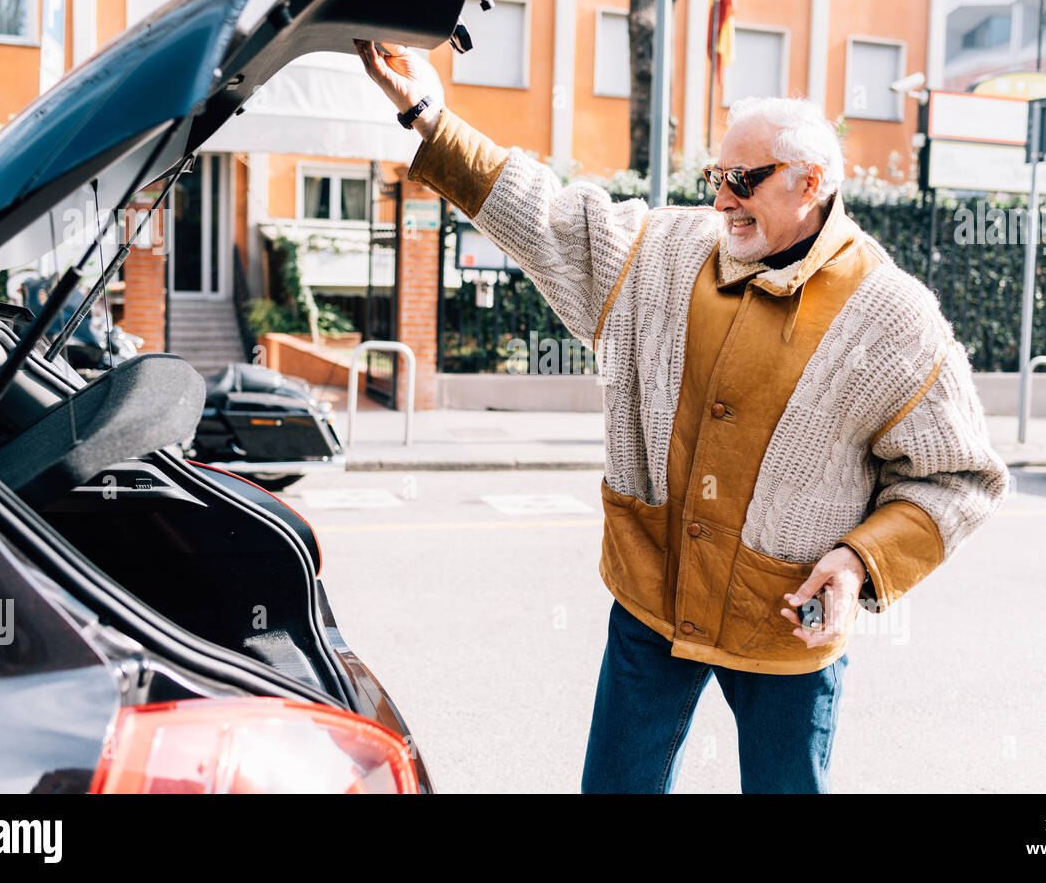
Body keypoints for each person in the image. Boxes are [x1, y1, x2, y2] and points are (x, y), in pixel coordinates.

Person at [355, 39, 1009, 794]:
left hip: (785, 623)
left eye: (743, 179)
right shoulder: (668, 250)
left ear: (811, 182)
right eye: (714, 177)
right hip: (652, 596)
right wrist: (428, 113)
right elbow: (548, 220)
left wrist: (862, 560)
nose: (723, 198)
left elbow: (960, 477)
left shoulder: (893, 315)